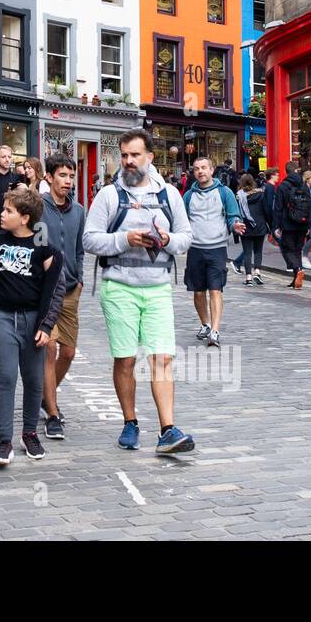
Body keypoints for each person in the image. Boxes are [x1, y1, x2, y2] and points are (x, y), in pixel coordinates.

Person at [82, 128, 196, 455]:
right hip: (119, 287)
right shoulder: (108, 195)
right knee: (126, 359)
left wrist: (167, 239)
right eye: (124, 155)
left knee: (162, 357)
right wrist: (124, 239)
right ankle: (130, 422)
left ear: (150, 157)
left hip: (157, 287)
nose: (129, 161)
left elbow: (186, 238)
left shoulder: (169, 195)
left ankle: (168, 430)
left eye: (135, 155)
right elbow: (89, 239)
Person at [0, 185, 65, 466]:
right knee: (6, 377)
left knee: (33, 379)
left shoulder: (44, 248)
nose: (1, 214)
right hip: (3, 318)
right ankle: (4, 440)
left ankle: (30, 433)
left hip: (33, 321)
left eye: (8, 210)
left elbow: (54, 291)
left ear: (25, 218)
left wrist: (46, 325)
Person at [37, 153, 85, 441]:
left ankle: (45, 396)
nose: (68, 181)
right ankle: (53, 414)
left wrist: (79, 278)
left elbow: (79, 249)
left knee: (68, 352)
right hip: (44, 290)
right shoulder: (38, 207)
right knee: (49, 347)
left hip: (70, 290)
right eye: (62, 176)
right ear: (49, 177)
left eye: (71, 176)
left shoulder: (78, 210)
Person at [182, 157, 246, 348]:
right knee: (198, 291)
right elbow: (181, 220)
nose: (200, 171)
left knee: (215, 289)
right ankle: (206, 324)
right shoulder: (188, 196)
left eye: (204, 168)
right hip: (195, 249)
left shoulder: (224, 192)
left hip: (217, 248)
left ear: (211, 170)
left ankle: (215, 331)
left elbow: (233, 216)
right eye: (196, 169)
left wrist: (235, 224)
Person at [272, 162, 311, 289]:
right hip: (303, 223)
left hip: (288, 223)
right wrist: (309, 225)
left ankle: (297, 269)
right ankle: (296, 281)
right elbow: (309, 206)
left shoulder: (283, 186)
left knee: (287, 249)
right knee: (298, 250)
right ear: (296, 170)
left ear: (286, 172)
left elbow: (278, 208)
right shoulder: (304, 185)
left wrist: (276, 226)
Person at [235, 173, 273, 285]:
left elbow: (236, 213)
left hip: (245, 226)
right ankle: (257, 272)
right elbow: (266, 210)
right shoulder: (261, 194)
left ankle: (248, 278)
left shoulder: (239, 197)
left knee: (247, 253)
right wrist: (270, 224)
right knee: (258, 251)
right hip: (259, 226)